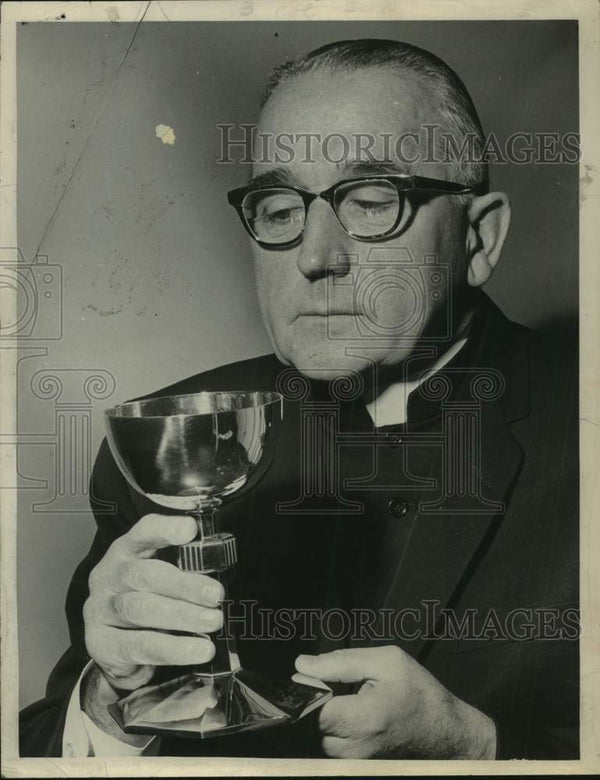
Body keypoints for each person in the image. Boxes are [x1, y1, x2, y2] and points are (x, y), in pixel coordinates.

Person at [20, 38, 578, 760]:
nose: (315, 257)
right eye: (279, 208)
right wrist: (113, 701)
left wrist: (477, 749)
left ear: (479, 237)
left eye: (373, 201)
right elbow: (40, 752)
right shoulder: (178, 438)